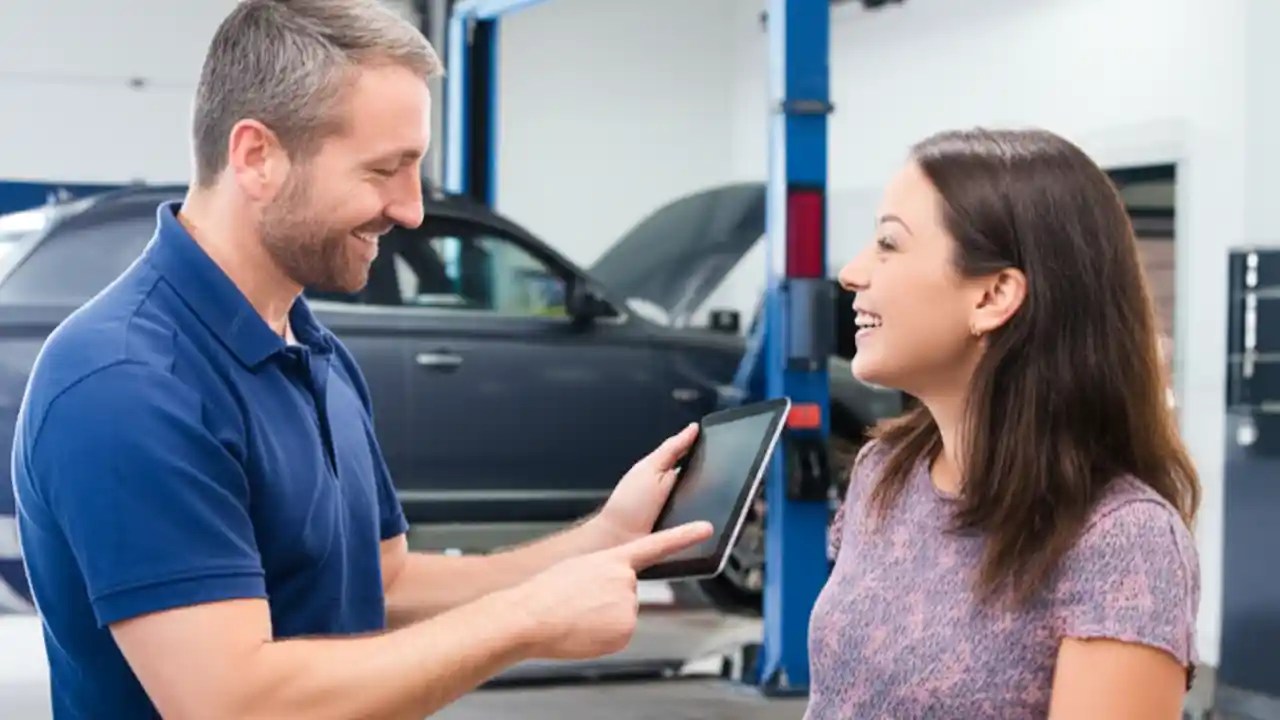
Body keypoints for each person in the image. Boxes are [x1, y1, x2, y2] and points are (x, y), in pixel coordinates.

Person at [10, 1, 712, 718]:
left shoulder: (314, 351)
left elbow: (386, 583)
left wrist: (597, 541)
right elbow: (233, 703)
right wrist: (526, 620)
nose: (410, 210)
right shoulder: (127, 383)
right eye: (385, 170)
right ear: (257, 157)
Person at [806, 128, 1201, 719]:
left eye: (889, 243)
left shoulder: (1121, 542)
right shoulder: (886, 475)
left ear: (993, 295)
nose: (853, 273)